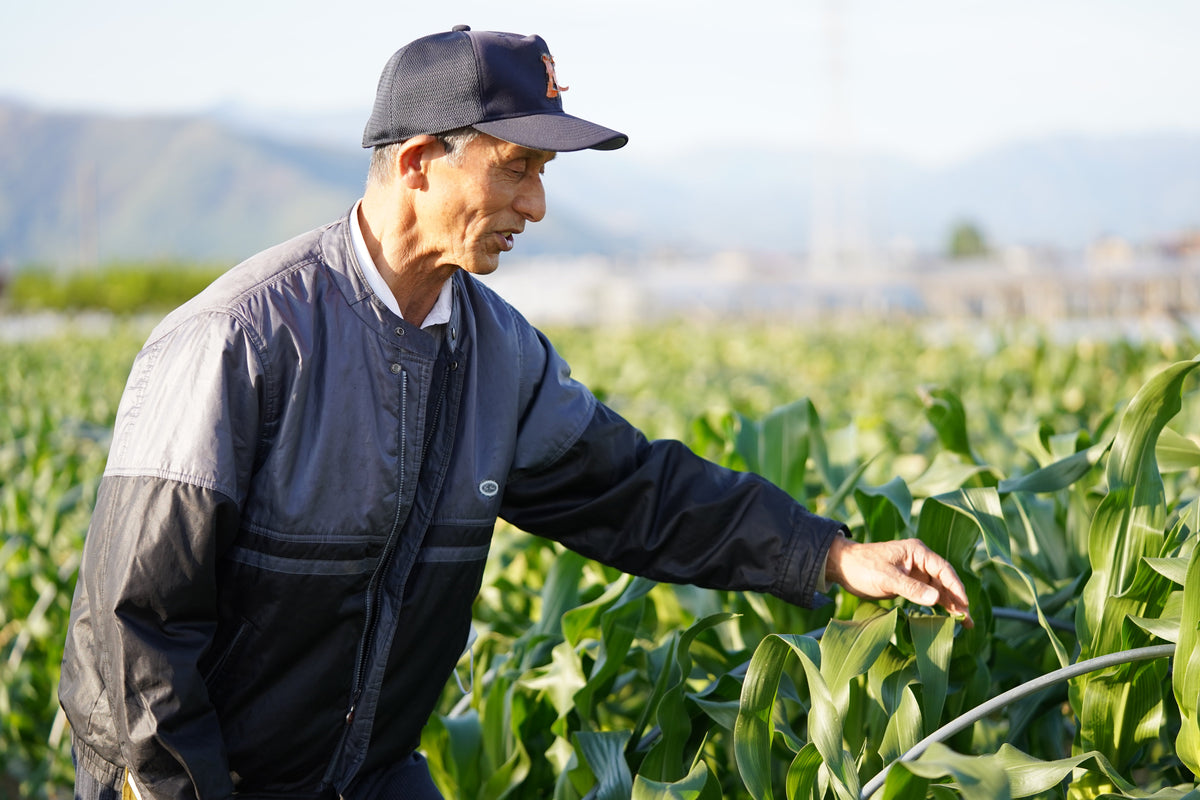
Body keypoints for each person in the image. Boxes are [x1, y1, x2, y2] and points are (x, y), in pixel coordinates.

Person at [59, 26, 971, 800]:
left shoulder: (498, 354)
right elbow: (136, 628)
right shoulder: (240, 340)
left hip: (369, 775)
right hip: (197, 778)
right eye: (518, 168)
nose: (535, 205)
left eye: (544, 173)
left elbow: (635, 493)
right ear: (417, 162)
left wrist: (828, 554)